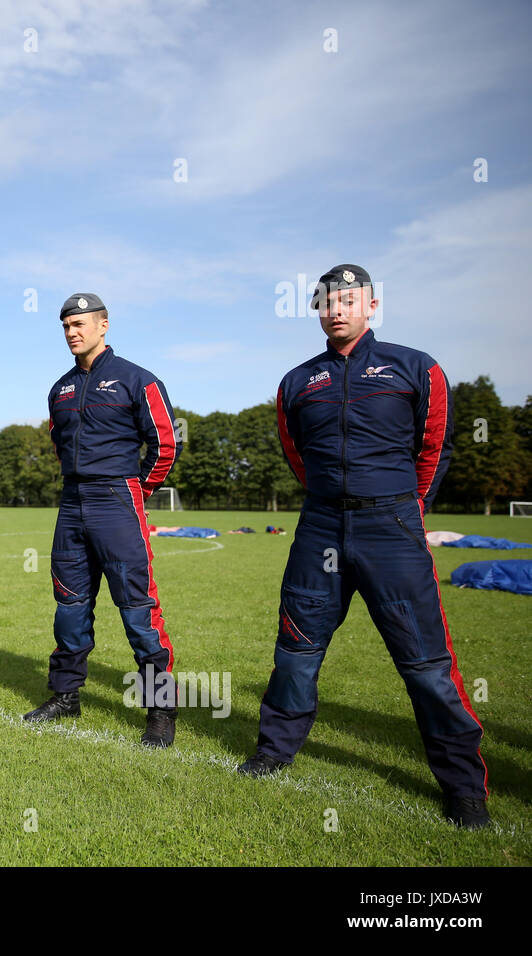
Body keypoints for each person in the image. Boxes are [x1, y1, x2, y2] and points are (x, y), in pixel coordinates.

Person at [237, 264, 489, 830]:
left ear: (371, 305)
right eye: (326, 301)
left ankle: (464, 788)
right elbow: (296, 452)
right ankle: (273, 753)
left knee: (425, 665)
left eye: (349, 299)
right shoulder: (297, 382)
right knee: (296, 651)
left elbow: (435, 445)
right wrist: (334, 499)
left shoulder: (415, 367)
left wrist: (405, 509)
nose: (337, 309)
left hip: (392, 528)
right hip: (320, 528)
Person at [23, 293, 181, 749]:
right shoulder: (60, 389)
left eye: (81, 324)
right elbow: (59, 445)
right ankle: (65, 695)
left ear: (104, 325)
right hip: (72, 503)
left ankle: (160, 710)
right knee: (69, 605)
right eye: (67, 326)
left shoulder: (138, 379)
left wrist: (136, 490)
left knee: (137, 609)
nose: (73, 332)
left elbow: (165, 446)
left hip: (118, 500)